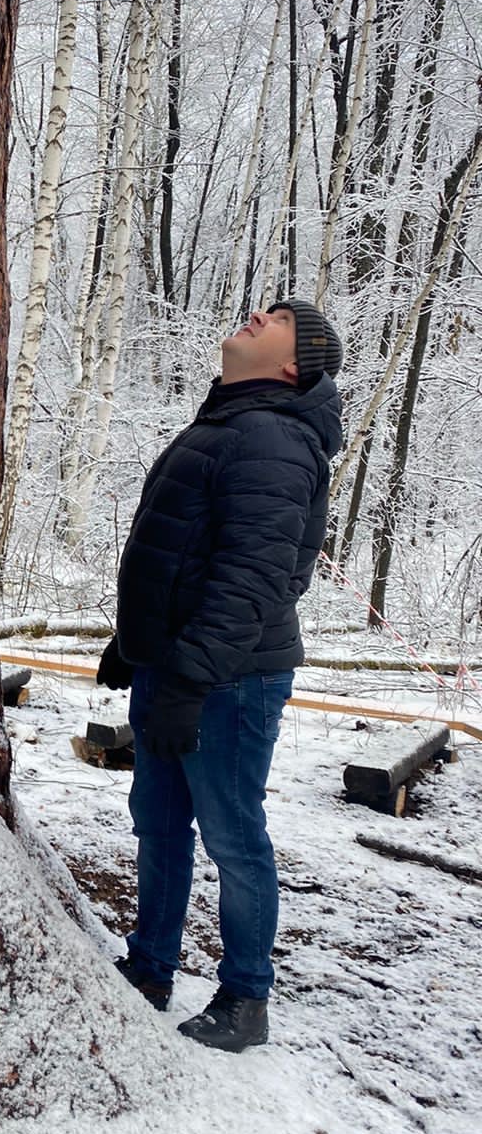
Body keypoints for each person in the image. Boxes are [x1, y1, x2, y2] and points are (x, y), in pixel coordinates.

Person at [96, 300, 343, 1052]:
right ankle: (150, 966)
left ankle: (245, 998)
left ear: (295, 363)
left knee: (233, 837)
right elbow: (179, 551)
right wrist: (132, 642)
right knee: (161, 824)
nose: (250, 316)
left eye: (273, 317)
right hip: (176, 667)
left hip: (229, 680)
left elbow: (251, 582)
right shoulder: (230, 424)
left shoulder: (273, 437)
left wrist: (190, 678)